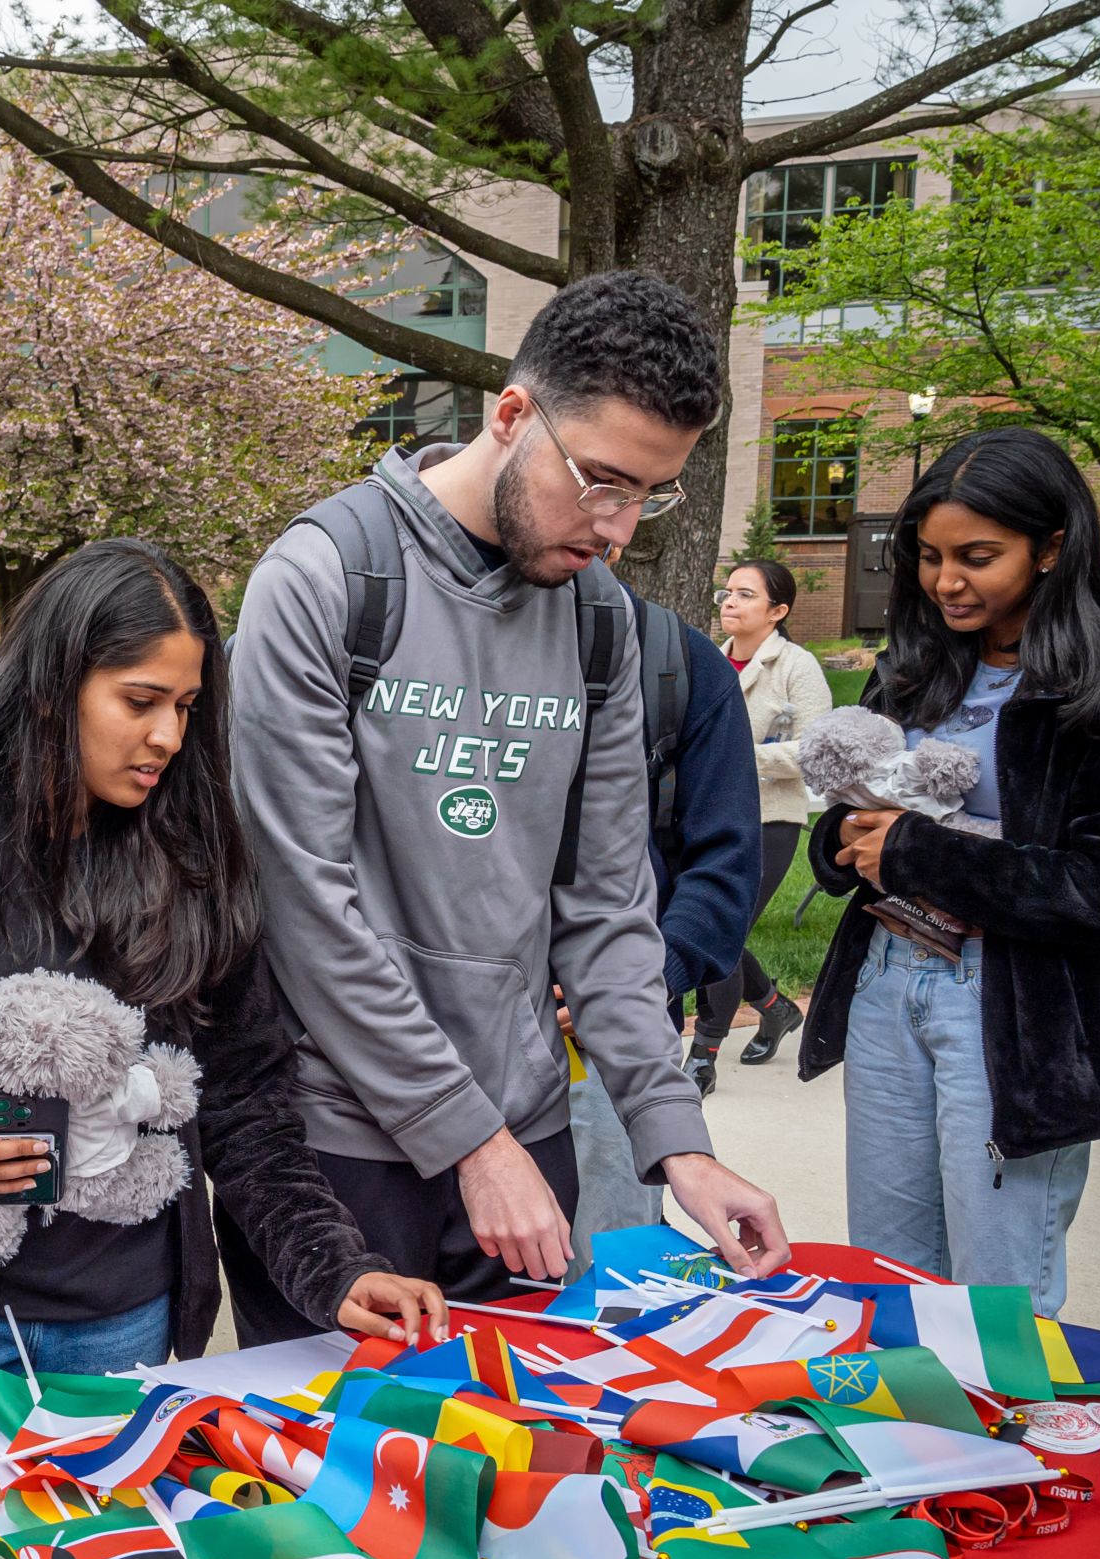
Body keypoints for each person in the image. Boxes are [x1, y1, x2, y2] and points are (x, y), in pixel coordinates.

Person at [224, 269, 790, 1322]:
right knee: (341, 1473)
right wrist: (465, 1139)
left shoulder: (601, 621)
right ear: (513, 414)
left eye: (648, 495)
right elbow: (305, 910)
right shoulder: (326, 577)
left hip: (526, 1134)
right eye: (600, 482)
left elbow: (609, 909)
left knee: (528, 1468)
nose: (618, 527)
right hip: (339, 1143)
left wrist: (677, 1144)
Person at [0, 541, 446, 1392]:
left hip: (128, 1314)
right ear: (54, 685)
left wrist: (337, 1268)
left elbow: (244, 1095)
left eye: (186, 706)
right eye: (140, 701)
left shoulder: (193, 854)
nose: (167, 736)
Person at [799, 426, 1100, 1312]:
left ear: (1052, 546)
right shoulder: (918, 659)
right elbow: (859, 812)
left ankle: (999, 1450)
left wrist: (916, 851)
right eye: (930, 557)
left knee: (995, 1301)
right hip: (891, 984)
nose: (946, 582)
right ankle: (903, 1445)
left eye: (977, 557)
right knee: (889, 1281)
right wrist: (846, 843)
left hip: (1017, 1015)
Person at [561, 566, 761, 1276]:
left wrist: (642, 977)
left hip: (606, 1040)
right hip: (439, 1041)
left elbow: (726, 866)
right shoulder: (430, 649)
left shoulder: (679, 664)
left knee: (602, 1280)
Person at [685, 557, 827, 1088]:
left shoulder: (796, 666)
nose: (729, 601)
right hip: (706, 815)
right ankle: (774, 1006)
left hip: (770, 818)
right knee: (710, 924)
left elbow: (817, 750)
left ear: (778, 610)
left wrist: (742, 754)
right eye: (728, 591)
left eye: (745, 594)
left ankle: (703, 1054)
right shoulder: (709, 660)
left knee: (719, 930)